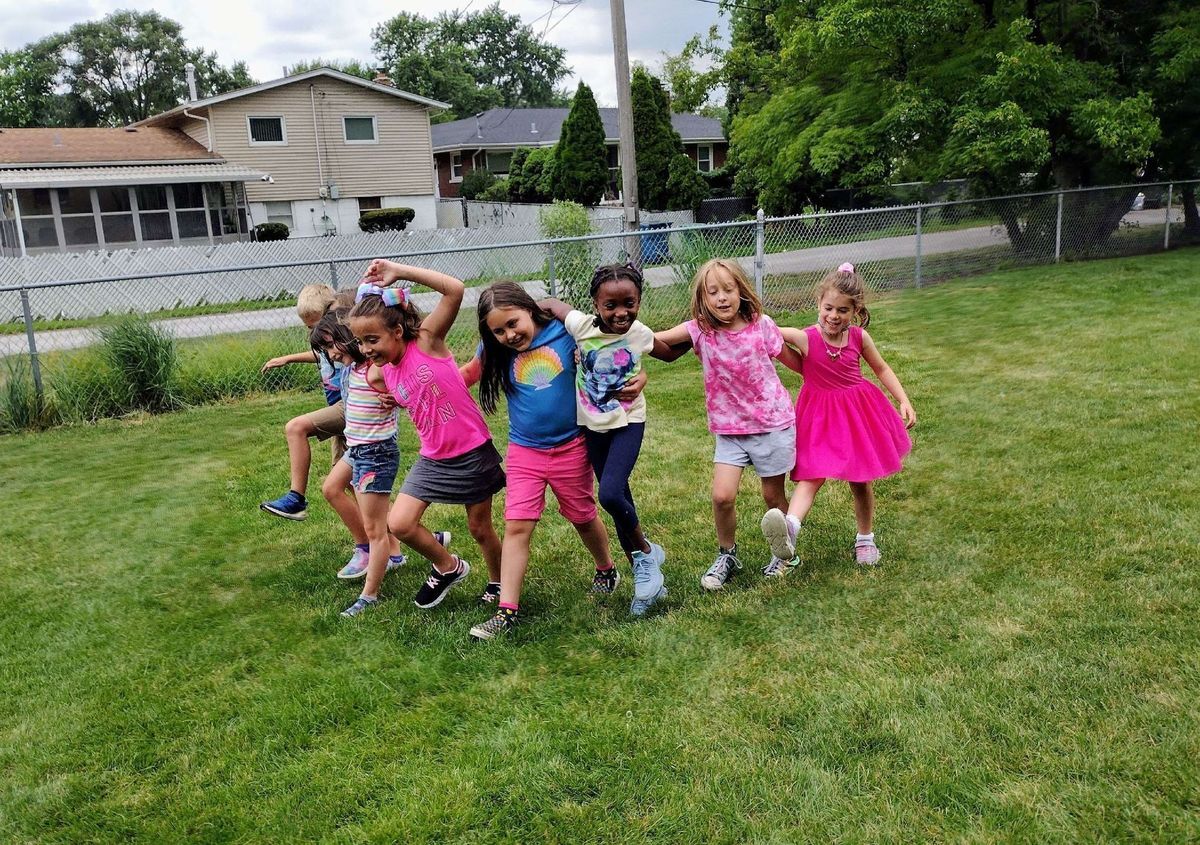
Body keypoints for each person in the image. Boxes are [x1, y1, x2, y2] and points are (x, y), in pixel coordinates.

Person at [462, 282, 643, 639]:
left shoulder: (566, 334)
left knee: (582, 516)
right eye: (499, 331)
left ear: (528, 310)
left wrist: (641, 378)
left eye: (513, 323)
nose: (509, 335)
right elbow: (468, 374)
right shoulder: (495, 350)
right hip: (525, 450)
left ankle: (606, 569)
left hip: (572, 446)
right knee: (517, 525)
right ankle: (507, 612)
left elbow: (612, 353)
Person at [350, 261, 505, 610]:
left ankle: (497, 583)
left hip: (472, 451)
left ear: (398, 331)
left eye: (372, 339)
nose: (366, 348)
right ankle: (448, 566)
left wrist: (399, 271)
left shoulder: (427, 340)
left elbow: (455, 288)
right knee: (400, 522)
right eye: (360, 342)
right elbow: (408, 395)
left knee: (480, 528)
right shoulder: (382, 374)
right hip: (433, 457)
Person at [651, 258, 804, 589]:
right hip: (730, 431)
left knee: (772, 497)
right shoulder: (699, 330)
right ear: (703, 298)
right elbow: (653, 339)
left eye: (728, 290)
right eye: (713, 292)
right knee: (722, 496)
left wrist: (828, 381)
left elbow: (795, 361)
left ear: (742, 291)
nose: (721, 298)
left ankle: (786, 555)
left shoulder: (761, 325)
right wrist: (611, 337)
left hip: (771, 424)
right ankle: (727, 555)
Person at [760, 263, 916, 568]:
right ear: (818, 304)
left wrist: (903, 399)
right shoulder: (806, 337)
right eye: (828, 307)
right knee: (810, 476)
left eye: (843, 310)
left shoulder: (859, 338)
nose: (834, 316)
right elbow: (772, 334)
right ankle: (789, 531)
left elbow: (881, 368)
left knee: (861, 481)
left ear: (855, 311)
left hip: (857, 414)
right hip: (818, 416)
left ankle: (865, 539)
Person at [540, 263, 666, 617]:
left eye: (629, 303)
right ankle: (646, 582)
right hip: (592, 426)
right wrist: (523, 315)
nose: (620, 312)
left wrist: (644, 377)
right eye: (610, 305)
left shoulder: (639, 332)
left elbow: (669, 351)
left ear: (639, 301)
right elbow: (550, 304)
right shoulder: (580, 326)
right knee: (620, 498)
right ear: (596, 304)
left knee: (609, 493)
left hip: (628, 421)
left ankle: (645, 553)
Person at [308, 308, 407, 617]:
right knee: (331, 487)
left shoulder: (375, 370)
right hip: (357, 450)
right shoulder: (350, 370)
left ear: (347, 339)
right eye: (325, 349)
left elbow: (406, 382)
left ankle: (370, 595)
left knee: (375, 529)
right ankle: (411, 543)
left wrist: (399, 398)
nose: (331, 353)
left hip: (376, 453)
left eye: (332, 345)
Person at [259, 284, 346, 522]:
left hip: (350, 406)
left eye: (318, 325)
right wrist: (287, 358)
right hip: (340, 409)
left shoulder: (344, 335)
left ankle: (296, 498)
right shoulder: (328, 342)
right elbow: (321, 354)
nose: (315, 333)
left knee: (296, 427)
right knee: (348, 481)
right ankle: (411, 536)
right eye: (310, 327)